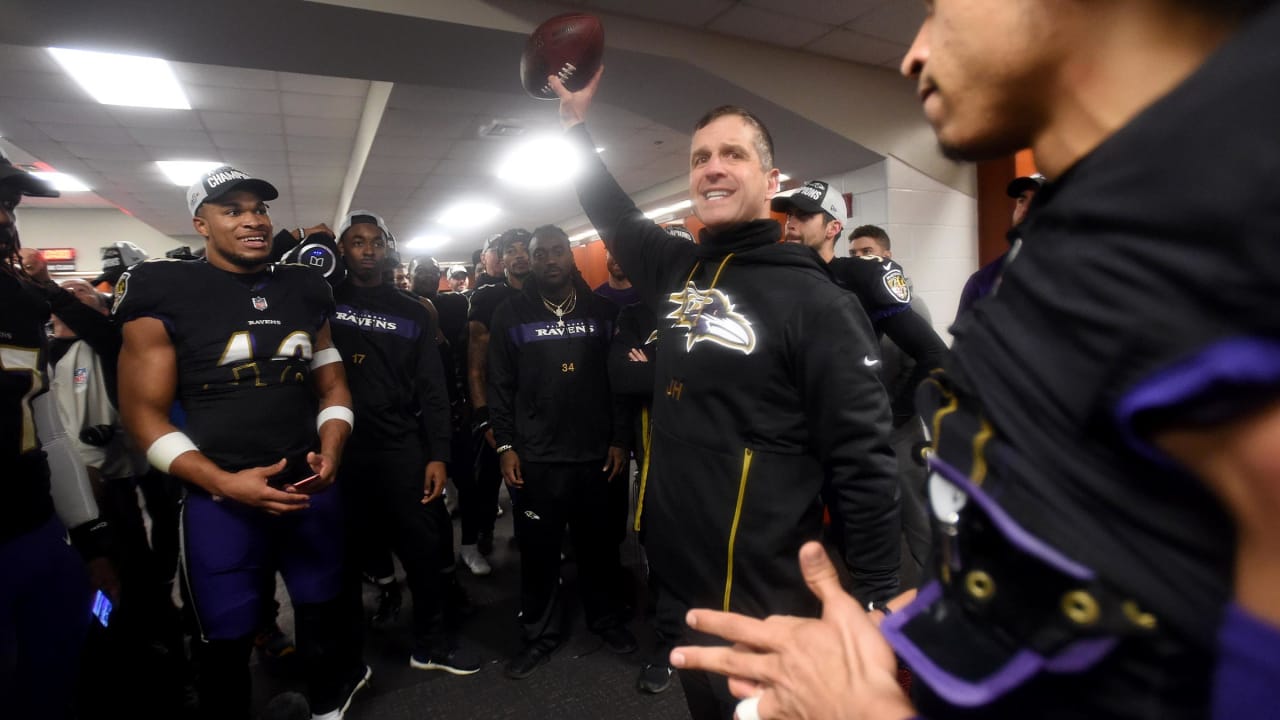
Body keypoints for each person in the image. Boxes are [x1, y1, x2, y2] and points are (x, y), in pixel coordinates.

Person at [673, 1, 1280, 719]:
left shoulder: (1217, 227)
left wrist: (860, 711)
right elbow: (1095, 562)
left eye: (938, 9)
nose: (912, 53)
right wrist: (912, 628)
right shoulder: (1065, 247)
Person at [551, 75, 901, 719]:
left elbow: (864, 458)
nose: (712, 168)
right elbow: (613, 211)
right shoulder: (676, 267)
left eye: (733, 154)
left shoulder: (817, 302)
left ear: (771, 181)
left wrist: (877, 596)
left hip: (766, 596)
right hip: (680, 582)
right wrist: (576, 126)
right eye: (701, 158)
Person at [115, 165, 363, 720]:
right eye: (233, 210)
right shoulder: (164, 288)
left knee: (323, 615)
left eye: (259, 209)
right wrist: (224, 482)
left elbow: (333, 385)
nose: (253, 221)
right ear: (201, 224)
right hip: (220, 496)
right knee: (224, 640)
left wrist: (333, 446)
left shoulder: (306, 287)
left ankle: (328, 708)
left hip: (307, 483)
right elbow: (143, 416)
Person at [772, 184, 947, 585]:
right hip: (802, 443)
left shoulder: (859, 277)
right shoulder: (776, 279)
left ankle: (927, 613)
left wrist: (891, 415)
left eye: (804, 216)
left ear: (833, 227)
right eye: (789, 216)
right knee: (836, 544)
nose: (791, 223)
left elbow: (935, 355)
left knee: (901, 536)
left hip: (862, 438)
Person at [330, 210, 480, 675]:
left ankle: (431, 644)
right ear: (342, 250)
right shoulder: (322, 300)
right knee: (344, 553)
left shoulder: (413, 310)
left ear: (387, 250)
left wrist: (438, 454)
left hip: (400, 444)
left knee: (423, 547)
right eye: (357, 242)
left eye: (376, 242)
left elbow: (433, 388)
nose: (368, 250)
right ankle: (346, 661)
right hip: (339, 447)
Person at [487, 224, 635, 678]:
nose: (549, 259)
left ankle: (606, 620)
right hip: (537, 458)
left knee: (600, 549)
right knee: (538, 552)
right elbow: (500, 385)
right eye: (540, 253)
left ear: (570, 257)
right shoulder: (510, 314)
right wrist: (506, 445)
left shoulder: (603, 312)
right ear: (530, 260)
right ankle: (540, 635)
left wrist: (620, 439)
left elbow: (619, 383)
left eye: (556, 251)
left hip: (597, 456)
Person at [0, 152, 115, 720]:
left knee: (56, 674)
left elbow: (48, 432)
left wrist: (90, 539)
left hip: (33, 531)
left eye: (7, 203)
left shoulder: (20, 304)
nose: (5, 217)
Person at [462, 228, 532, 576]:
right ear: (501, 259)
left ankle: (530, 537)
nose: (519, 255)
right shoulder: (488, 298)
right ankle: (476, 541)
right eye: (511, 250)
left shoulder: (546, 294)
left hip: (533, 409)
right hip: (496, 405)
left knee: (530, 480)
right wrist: (484, 415)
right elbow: (476, 366)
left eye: (524, 249)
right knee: (486, 481)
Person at [955, 174, 1042, 315]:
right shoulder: (981, 282)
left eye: (1036, 202)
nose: (1025, 209)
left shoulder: (1070, 279)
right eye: (1021, 201)